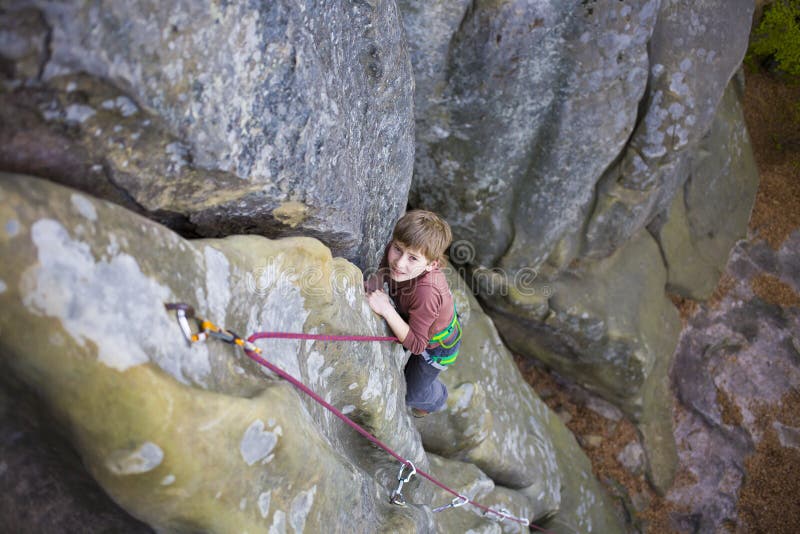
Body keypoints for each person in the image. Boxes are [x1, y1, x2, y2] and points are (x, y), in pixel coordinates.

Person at [365, 210, 462, 417]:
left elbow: (418, 345)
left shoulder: (426, 293)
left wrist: (386, 309)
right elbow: (384, 269)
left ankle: (438, 398)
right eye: (398, 249)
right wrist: (372, 286)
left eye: (413, 258)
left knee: (411, 395)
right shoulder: (396, 251)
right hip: (421, 319)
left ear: (432, 264)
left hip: (438, 346)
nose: (399, 263)